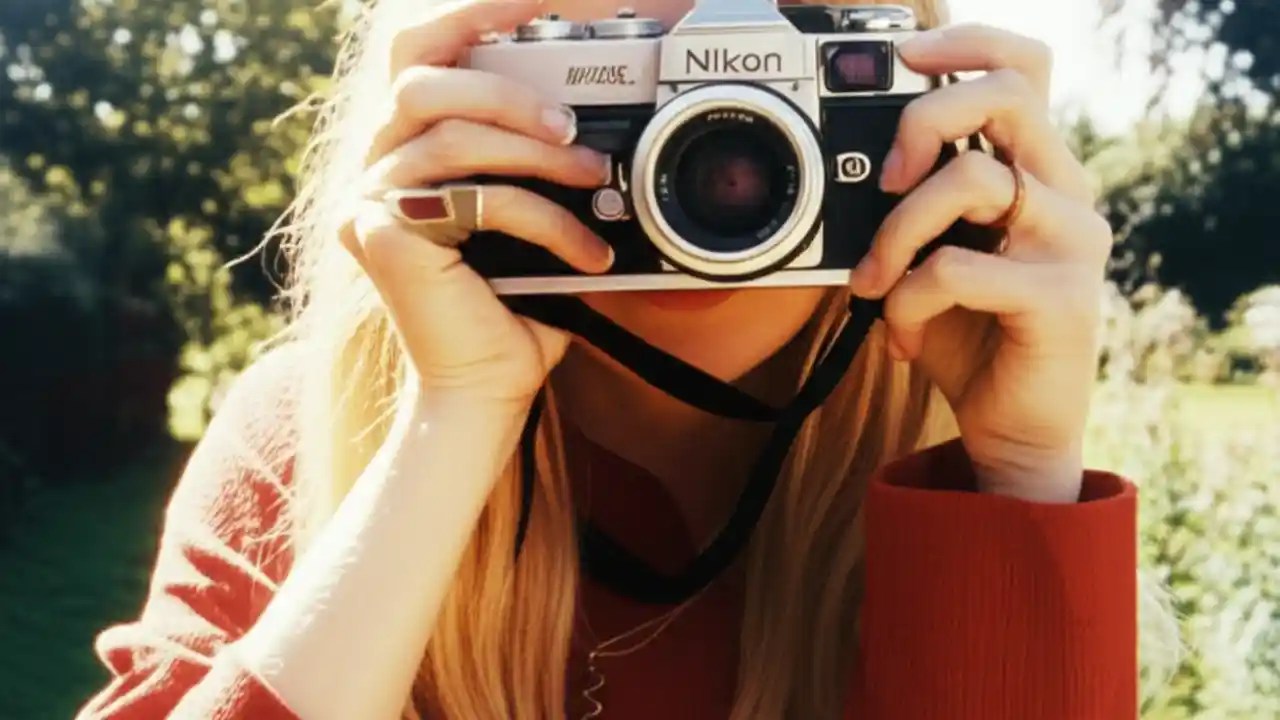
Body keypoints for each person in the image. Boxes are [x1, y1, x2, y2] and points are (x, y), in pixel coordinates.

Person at [77, 0, 1138, 718]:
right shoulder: (307, 446)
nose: (714, 133)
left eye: (796, 40)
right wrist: (452, 418)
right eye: (613, 43)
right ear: (464, 69)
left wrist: (1013, 473)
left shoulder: (947, 462)